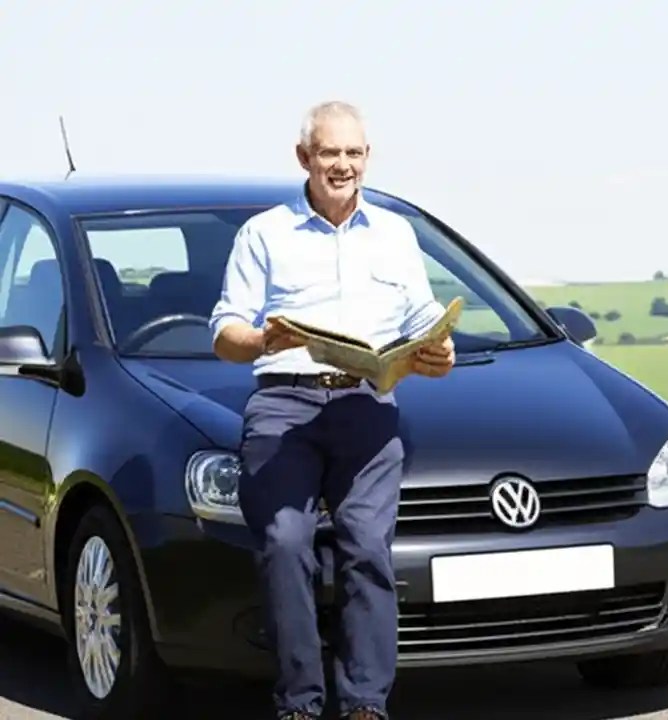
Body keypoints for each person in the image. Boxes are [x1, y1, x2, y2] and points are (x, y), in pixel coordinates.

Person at [209, 100, 455, 720]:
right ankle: (299, 701)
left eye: (353, 153)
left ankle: (365, 703)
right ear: (304, 158)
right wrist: (267, 339)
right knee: (286, 541)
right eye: (328, 153)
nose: (341, 165)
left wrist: (438, 351)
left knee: (367, 547)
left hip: (367, 402)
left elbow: (423, 321)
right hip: (284, 403)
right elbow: (223, 333)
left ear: (367, 158)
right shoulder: (263, 234)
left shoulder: (396, 234)